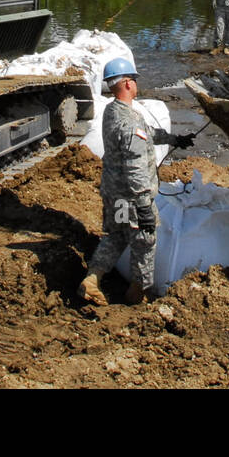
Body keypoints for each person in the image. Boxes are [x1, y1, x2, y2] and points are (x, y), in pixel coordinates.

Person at [78, 57, 195, 306]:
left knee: (118, 235)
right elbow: (135, 166)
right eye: (135, 81)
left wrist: (173, 139)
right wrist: (143, 205)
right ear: (129, 83)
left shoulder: (113, 111)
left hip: (115, 194)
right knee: (145, 240)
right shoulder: (130, 123)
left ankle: (92, 279)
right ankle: (137, 293)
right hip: (132, 197)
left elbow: (147, 133)